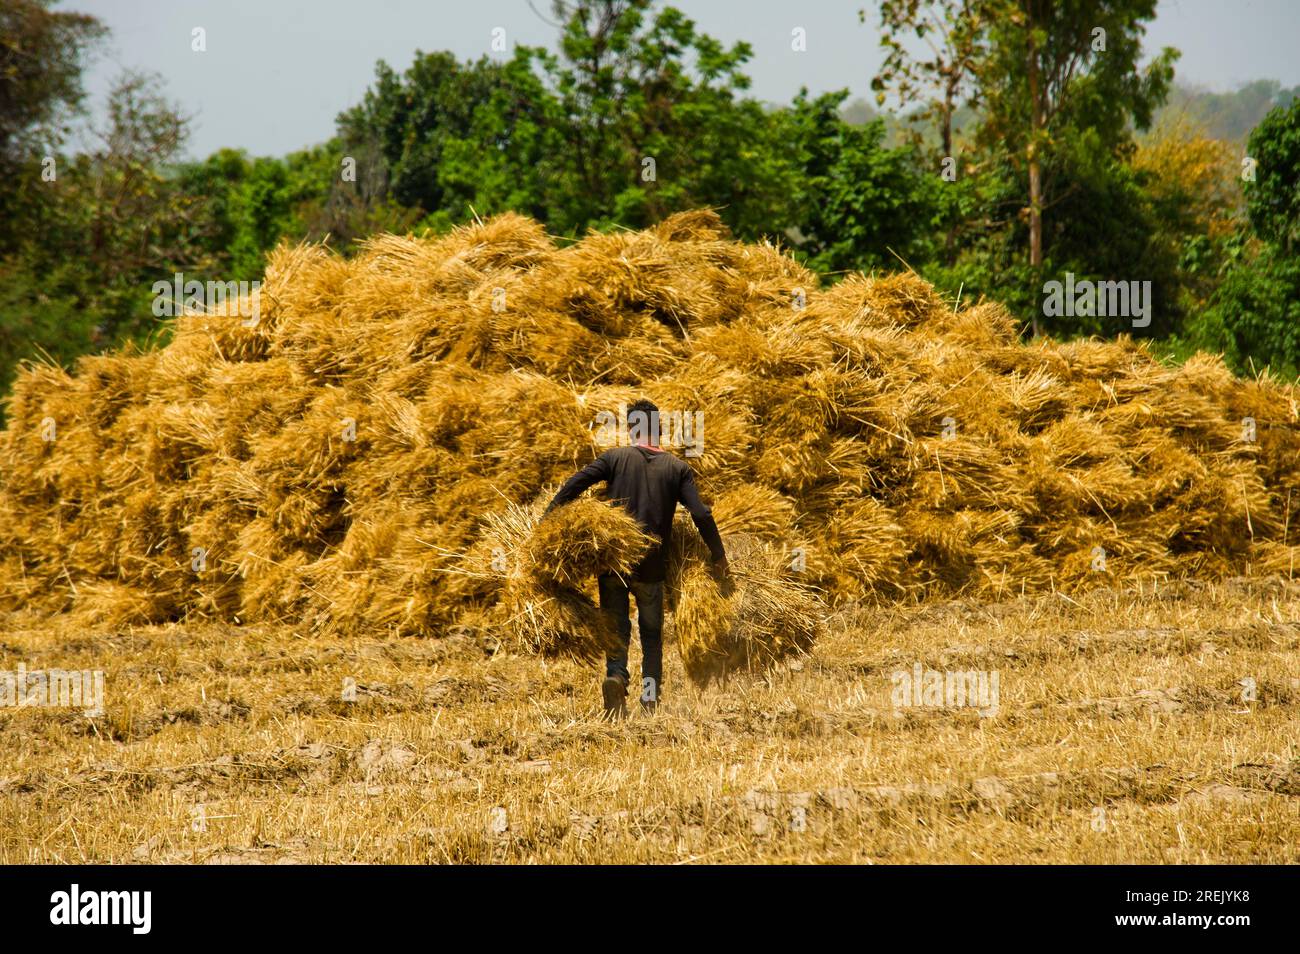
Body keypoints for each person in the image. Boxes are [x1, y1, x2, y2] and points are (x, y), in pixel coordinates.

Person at [545, 398, 728, 718]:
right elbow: (700, 512)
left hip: (614, 563)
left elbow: (575, 484)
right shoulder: (676, 468)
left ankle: (616, 675)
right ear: (658, 429)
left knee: (616, 628)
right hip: (652, 568)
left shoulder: (614, 458)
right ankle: (649, 698)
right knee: (652, 637)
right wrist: (718, 555)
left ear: (632, 429)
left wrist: (548, 517)